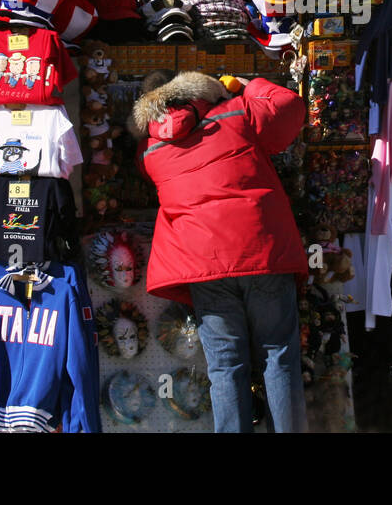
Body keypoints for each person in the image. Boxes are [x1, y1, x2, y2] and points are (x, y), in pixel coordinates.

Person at [129, 71, 308, 433]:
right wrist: (247, 84)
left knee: (226, 366)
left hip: (204, 265)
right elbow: (289, 107)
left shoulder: (149, 152)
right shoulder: (237, 113)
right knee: (279, 357)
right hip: (261, 252)